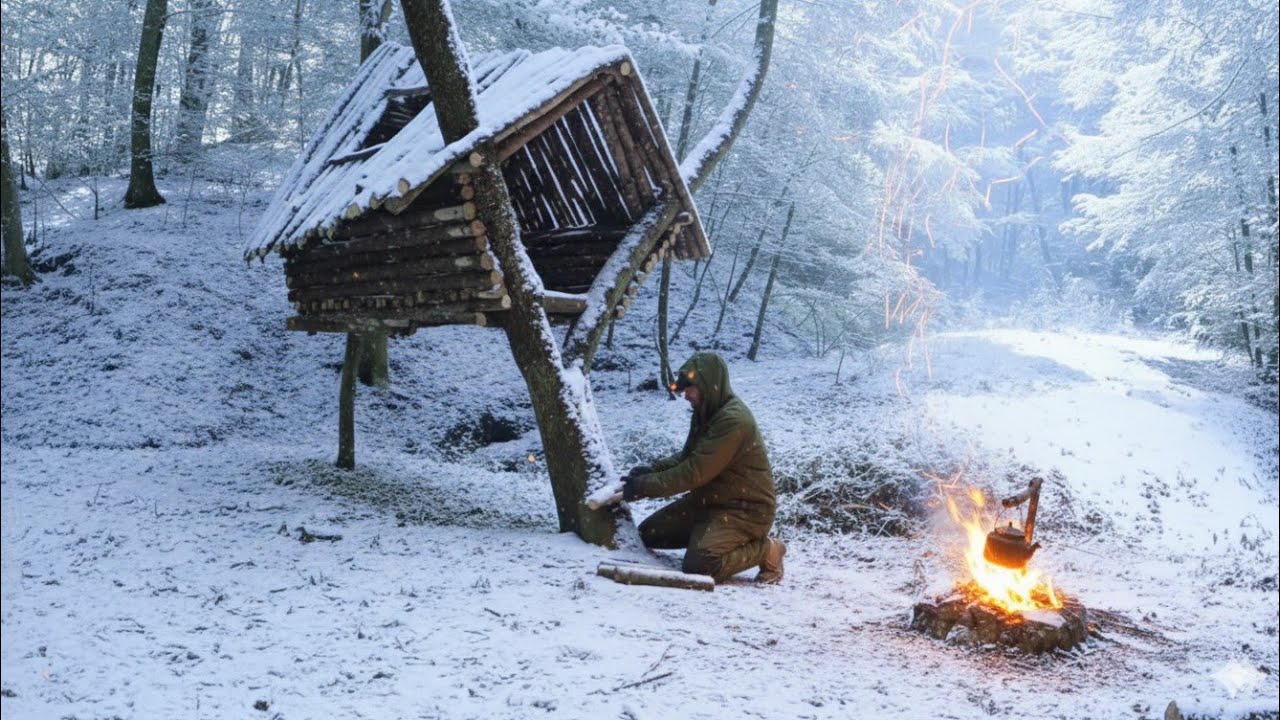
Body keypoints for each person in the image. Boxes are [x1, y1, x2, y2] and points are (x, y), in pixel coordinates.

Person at [621, 352, 786, 584]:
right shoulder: (705, 411)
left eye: (691, 388)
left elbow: (693, 473)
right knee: (647, 535)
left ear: (709, 386)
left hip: (744, 511)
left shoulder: (733, 420)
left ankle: (767, 549)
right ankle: (710, 538)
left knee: (700, 565)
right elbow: (688, 457)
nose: (686, 395)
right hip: (709, 503)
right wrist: (650, 471)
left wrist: (644, 486)